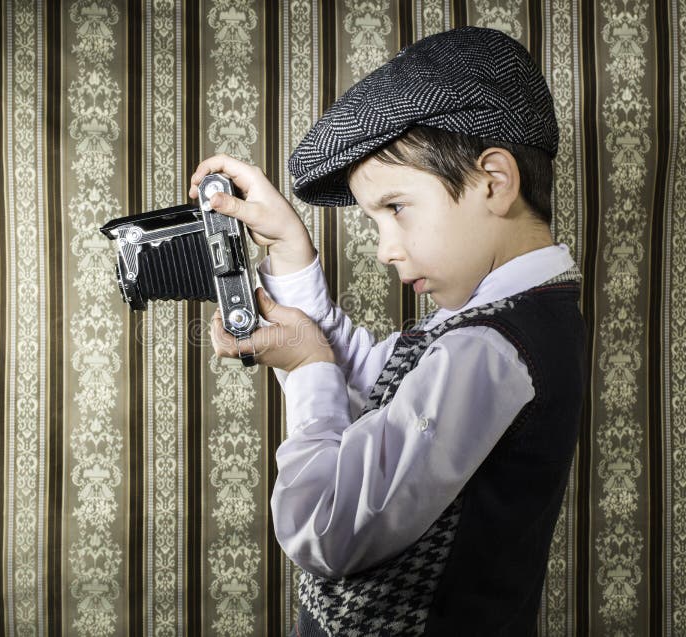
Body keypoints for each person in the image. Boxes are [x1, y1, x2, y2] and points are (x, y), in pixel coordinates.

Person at [189, 26, 586, 637]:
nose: (384, 250)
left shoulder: (488, 348)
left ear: (494, 181)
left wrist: (307, 369)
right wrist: (289, 250)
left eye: (396, 209)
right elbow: (373, 384)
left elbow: (327, 528)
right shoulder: (492, 318)